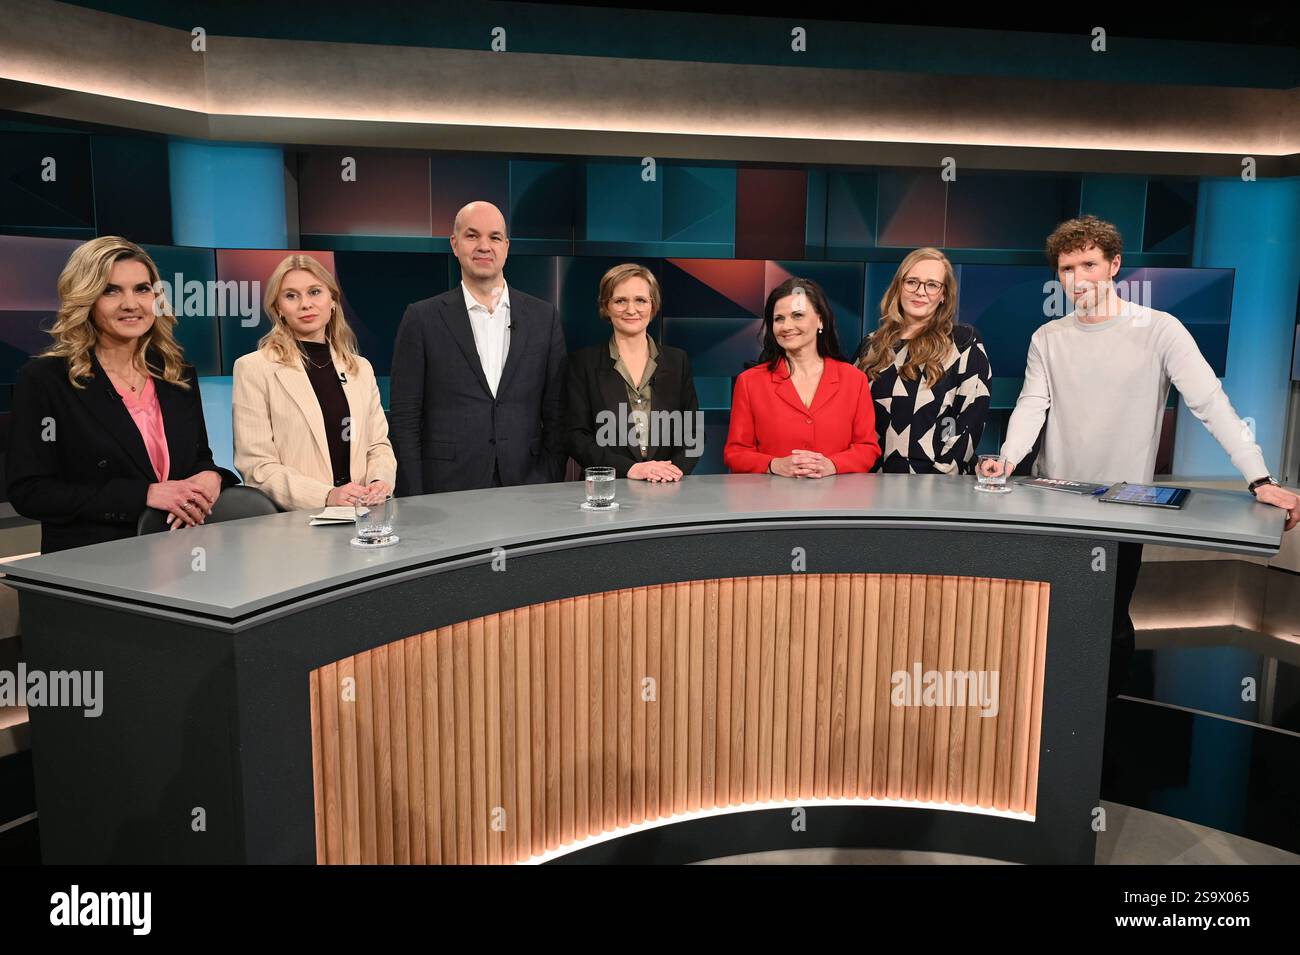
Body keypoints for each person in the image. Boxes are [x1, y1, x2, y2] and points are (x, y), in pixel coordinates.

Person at [979, 215, 1300, 695]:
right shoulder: (1048, 338)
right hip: (1052, 499)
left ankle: (1103, 723)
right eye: (1067, 269)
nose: (1078, 279)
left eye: (1088, 264)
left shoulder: (1159, 329)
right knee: (1047, 616)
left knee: (1109, 622)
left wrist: (1259, 478)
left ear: (1114, 265)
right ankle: (1047, 714)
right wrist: (1007, 459)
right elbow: (1032, 404)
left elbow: (1210, 403)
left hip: (1124, 504)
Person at [5, 236, 237, 553]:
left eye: (142, 289)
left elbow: (198, 458)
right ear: (86, 299)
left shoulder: (176, 373)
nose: (131, 303)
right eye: (111, 290)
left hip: (181, 554)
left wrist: (212, 475)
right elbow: (31, 492)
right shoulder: (46, 379)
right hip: (95, 563)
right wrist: (143, 494)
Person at [388, 201, 566, 494]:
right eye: (473, 236)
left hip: (528, 486)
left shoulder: (544, 317)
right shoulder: (421, 318)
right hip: (446, 490)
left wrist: (548, 477)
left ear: (506, 247)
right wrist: (414, 498)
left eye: (494, 237)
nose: (485, 246)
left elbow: (557, 414)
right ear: (455, 244)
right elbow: (405, 417)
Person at [232, 254, 396, 511]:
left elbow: (378, 445)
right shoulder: (254, 369)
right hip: (299, 522)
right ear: (278, 309)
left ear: (332, 301)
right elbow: (257, 467)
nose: (305, 304)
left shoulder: (360, 369)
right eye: (291, 296)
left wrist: (379, 481)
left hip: (365, 514)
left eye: (314, 292)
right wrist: (327, 496)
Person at [724, 277, 880, 476]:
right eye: (779, 318)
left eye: (797, 315)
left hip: (838, 501)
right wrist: (774, 465)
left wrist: (832, 465)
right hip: (771, 500)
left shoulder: (853, 379)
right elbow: (735, 453)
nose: (786, 326)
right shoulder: (750, 382)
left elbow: (867, 448)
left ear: (820, 320)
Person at [855, 248, 990, 473]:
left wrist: (939, 480)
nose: (920, 292)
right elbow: (850, 419)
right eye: (912, 282)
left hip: (938, 487)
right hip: (872, 486)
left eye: (932, 285)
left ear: (944, 294)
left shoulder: (964, 342)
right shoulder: (871, 346)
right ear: (899, 287)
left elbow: (971, 419)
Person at [564, 263, 702, 481]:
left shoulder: (678, 361)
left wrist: (670, 473)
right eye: (620, 301)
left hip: (667, 489)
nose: (631, 310)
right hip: (606, 487)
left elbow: (692, 433)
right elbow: (576, 436)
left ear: (653, 305)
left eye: (640, 300)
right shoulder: (583, 363)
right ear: (606, 306)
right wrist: (630, 469)